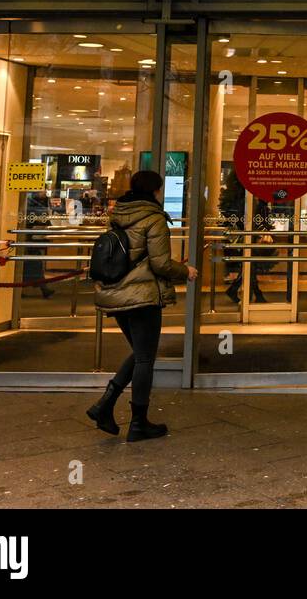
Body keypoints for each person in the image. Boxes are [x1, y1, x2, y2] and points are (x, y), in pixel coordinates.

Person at [85, 170, 196, 442]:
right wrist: (185, 272)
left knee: (139, 352)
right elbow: (160, 263)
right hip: (142, 295)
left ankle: (105, 405)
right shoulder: (154, 218)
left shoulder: (120, 214)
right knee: (145, 357)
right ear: (156, 191)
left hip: (117, 293)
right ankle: (138, 422)